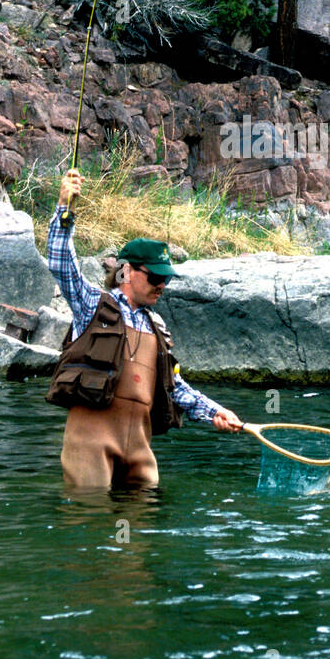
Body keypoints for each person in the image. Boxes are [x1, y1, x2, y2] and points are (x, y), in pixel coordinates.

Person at [47, 168, 242, 489]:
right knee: (89, 522)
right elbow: (60, 263)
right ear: (126, 271)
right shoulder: (90, 304)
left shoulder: (157, 326)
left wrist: (216, 412)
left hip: (139, 448)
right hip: (90, 446)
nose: (162, 285)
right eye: (154, 277)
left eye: (165, 278)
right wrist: (64, 207)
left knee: (143, 532)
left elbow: (174, 388)